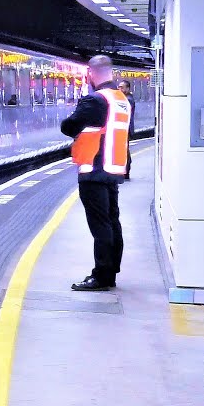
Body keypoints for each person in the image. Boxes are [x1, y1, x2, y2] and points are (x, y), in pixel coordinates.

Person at [61, 55, 133, 291]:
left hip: (93, 169)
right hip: (112, 170)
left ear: (90, 73)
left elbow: (69, 126)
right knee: (112, 220)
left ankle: (101, 275)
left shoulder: (95, 100)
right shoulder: (121, 99)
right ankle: (111, 271)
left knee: (100, 224)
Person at [117, 79, 137, 180]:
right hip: (125, 128)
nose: (120, 89)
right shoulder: (127, 98)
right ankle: (125, 172)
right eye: (119, 87)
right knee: (124, 150)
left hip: (125, 129)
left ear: (128, 88)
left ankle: (125, 172)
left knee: (124, 151)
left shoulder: (128, 99)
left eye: (122, 87)